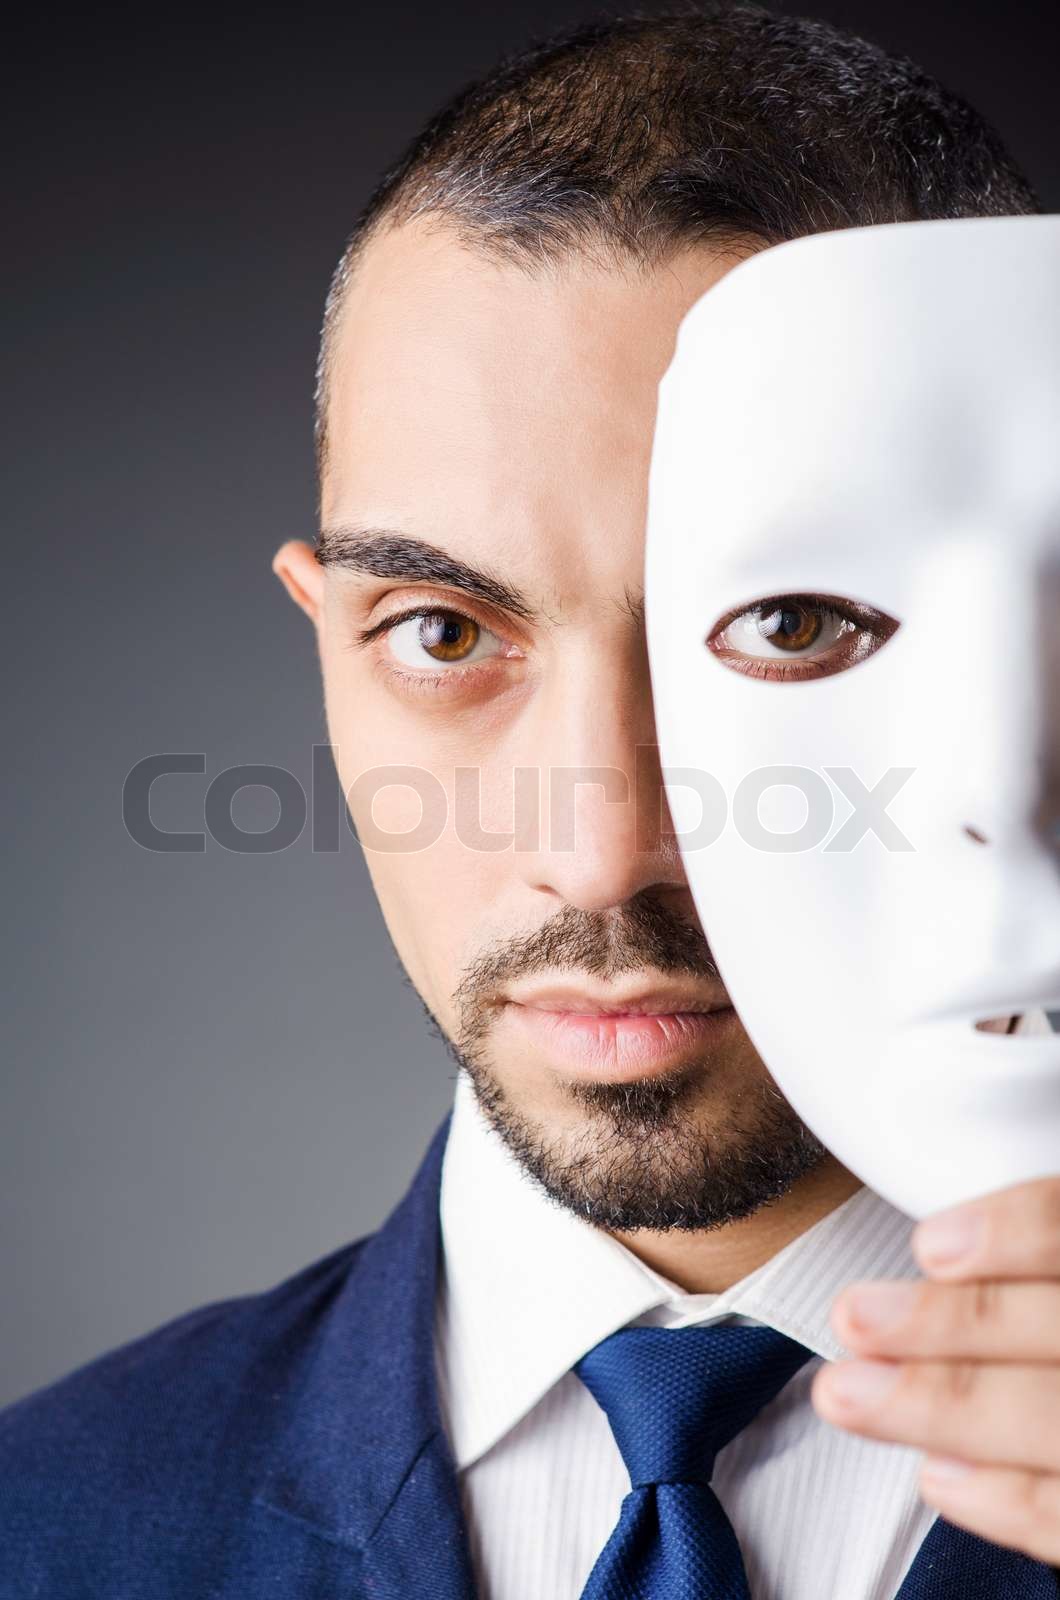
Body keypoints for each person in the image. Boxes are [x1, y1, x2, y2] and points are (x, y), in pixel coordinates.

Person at [3, 7, 1058, 1597]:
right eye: (444, 633)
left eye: (792, 625)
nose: (601, 849)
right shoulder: (47, 1525)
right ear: (327, 637)